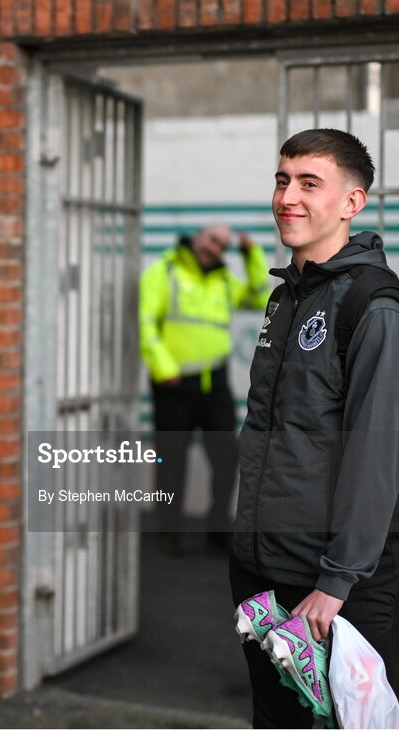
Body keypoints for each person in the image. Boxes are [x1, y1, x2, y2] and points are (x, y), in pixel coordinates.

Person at [229, 129, 399, 726]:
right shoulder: (285, 297)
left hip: (329, 587)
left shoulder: (374, 307)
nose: (288, 197)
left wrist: (336, 582)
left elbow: (377, 458)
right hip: (261, 570)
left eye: (310, 184)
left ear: (351, 202)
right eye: (282, 180)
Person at [139, 223, 269, 553]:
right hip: (173, 384)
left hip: (215, 384)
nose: (215, 248)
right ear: (197, 237)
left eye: (223, 245)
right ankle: (168, 534)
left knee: (227, 458)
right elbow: (145, 322)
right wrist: (164, 368)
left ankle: (217, 531)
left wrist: (252, 255)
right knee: (171, 462)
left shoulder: (224, 280)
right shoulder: (164, 271)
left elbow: (260, 296)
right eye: (212, 240)